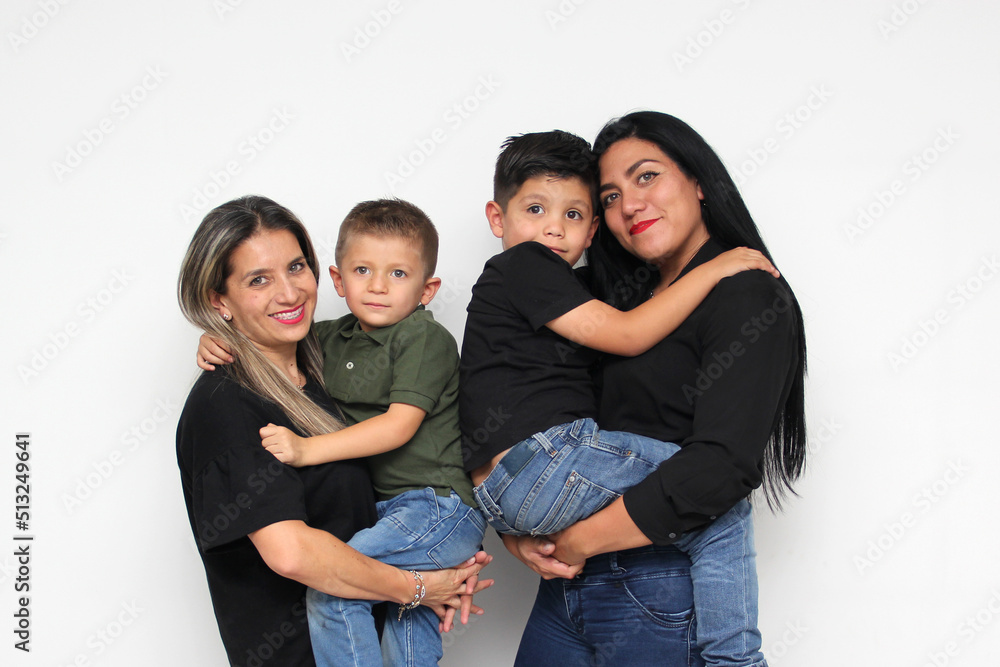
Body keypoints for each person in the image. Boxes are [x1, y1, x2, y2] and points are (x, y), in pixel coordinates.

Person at [460, 131, 780, 667]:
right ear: (498, 218)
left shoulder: (744, 298)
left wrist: (540, 532)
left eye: (575, 214)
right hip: (558, 533)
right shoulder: (534, 270)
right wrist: (713, 268)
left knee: (715, 492)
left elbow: (719, 468)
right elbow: (628, 335)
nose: (554, 229)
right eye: (611, 196)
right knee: (725, 512)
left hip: (610, 558)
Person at [176, 195, 491, 667]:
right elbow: (292, 555)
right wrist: (420, 588)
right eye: (258, 280)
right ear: (219, 299)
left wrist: (437, 557)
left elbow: (438, 442)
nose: (288, 293)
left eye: (296, 267)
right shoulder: (225, 403)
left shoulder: (328, 373)